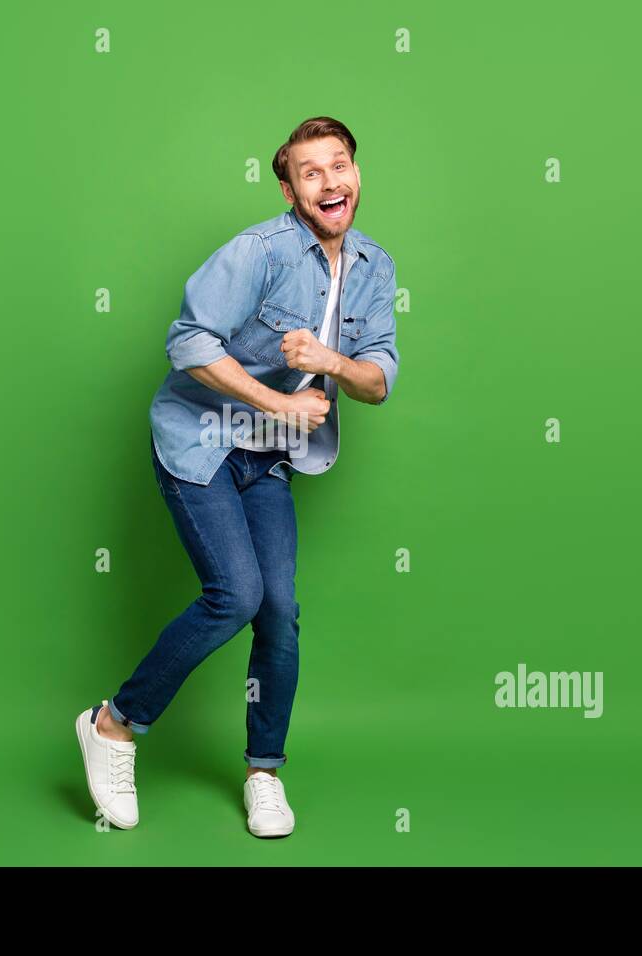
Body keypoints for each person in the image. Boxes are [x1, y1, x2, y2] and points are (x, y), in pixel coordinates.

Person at [76, 116, 400, 837]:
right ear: (289, 188)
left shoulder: (376, 268)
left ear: (357, 175)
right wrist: (282, 399)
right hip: (200, 443)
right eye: (309, 171)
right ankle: (114, 724)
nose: (329, 181)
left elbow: (378, 380)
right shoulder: (257, 251)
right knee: (235, 594)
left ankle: (264, 773)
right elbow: (186, 342)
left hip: (268, 459)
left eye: (339, 165)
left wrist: (331, 362)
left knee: (278, 611)